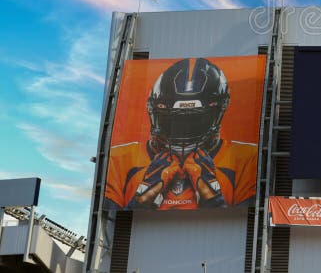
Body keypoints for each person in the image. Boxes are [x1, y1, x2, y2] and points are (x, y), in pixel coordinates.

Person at [105, 58, 258, 209]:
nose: (183, 131)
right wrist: (142, 200)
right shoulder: (119, 160)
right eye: (172, 120)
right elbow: (107, 225)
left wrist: (212, 198)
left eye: (196, 121)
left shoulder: (246, 160)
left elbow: (246, 225)